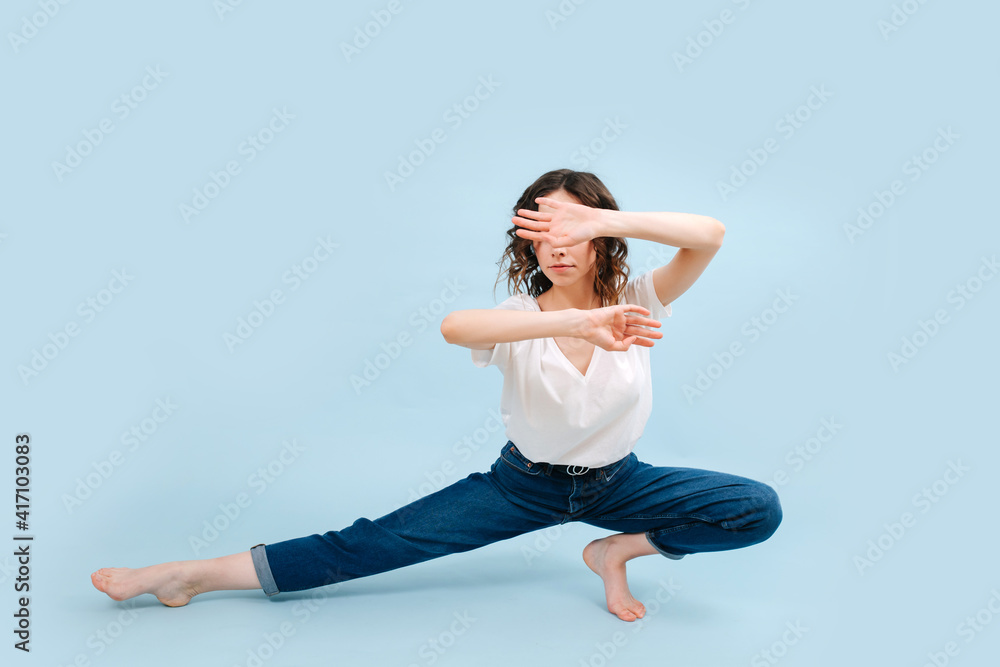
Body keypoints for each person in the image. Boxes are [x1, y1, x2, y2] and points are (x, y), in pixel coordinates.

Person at [91, 168, 782, 622]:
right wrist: (577, 320)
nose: (558, 246)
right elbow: (454, 327)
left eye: (572, 230)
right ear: (527, 246)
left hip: (621, 484)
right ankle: (186, 574)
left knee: (755, 509)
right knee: (366, 544)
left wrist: (602, 222)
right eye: (541, 233)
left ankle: (615, 552)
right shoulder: (515, 315)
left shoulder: (638, 295)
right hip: (524, 486)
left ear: (601, 236)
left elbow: (710, 236)